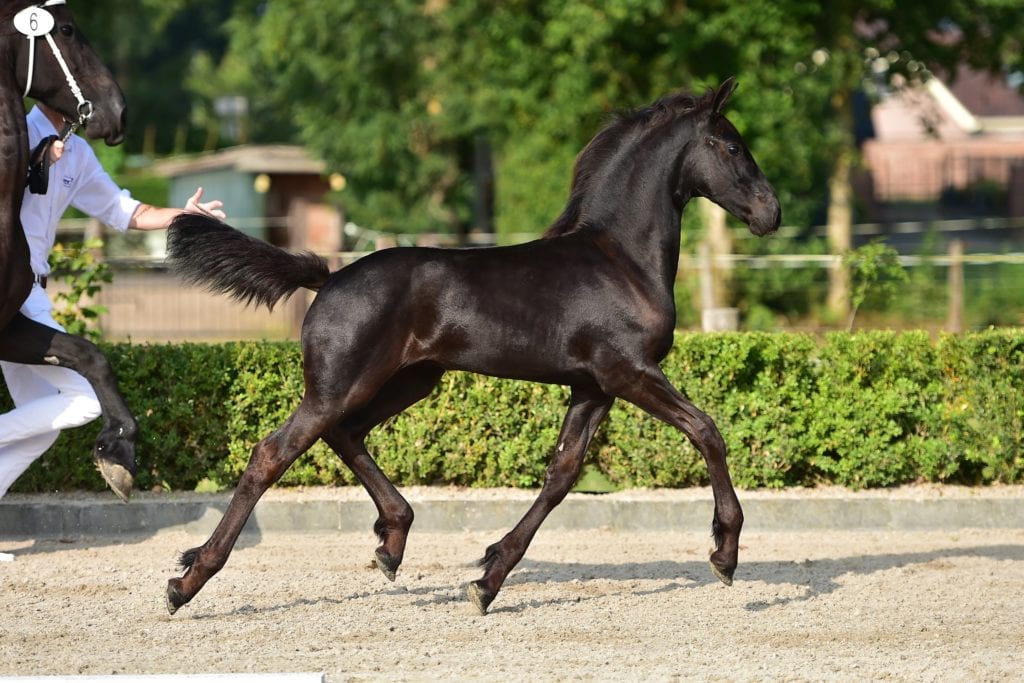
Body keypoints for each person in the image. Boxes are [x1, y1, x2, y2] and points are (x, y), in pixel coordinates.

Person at [0, 102, 226, 500]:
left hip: (33, 295)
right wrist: (34, 160)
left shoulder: (78, 153)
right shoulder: (12, 134)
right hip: (11, 294)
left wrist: (184, 216)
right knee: (86, 400)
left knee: (42, 430)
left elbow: (123, 209)